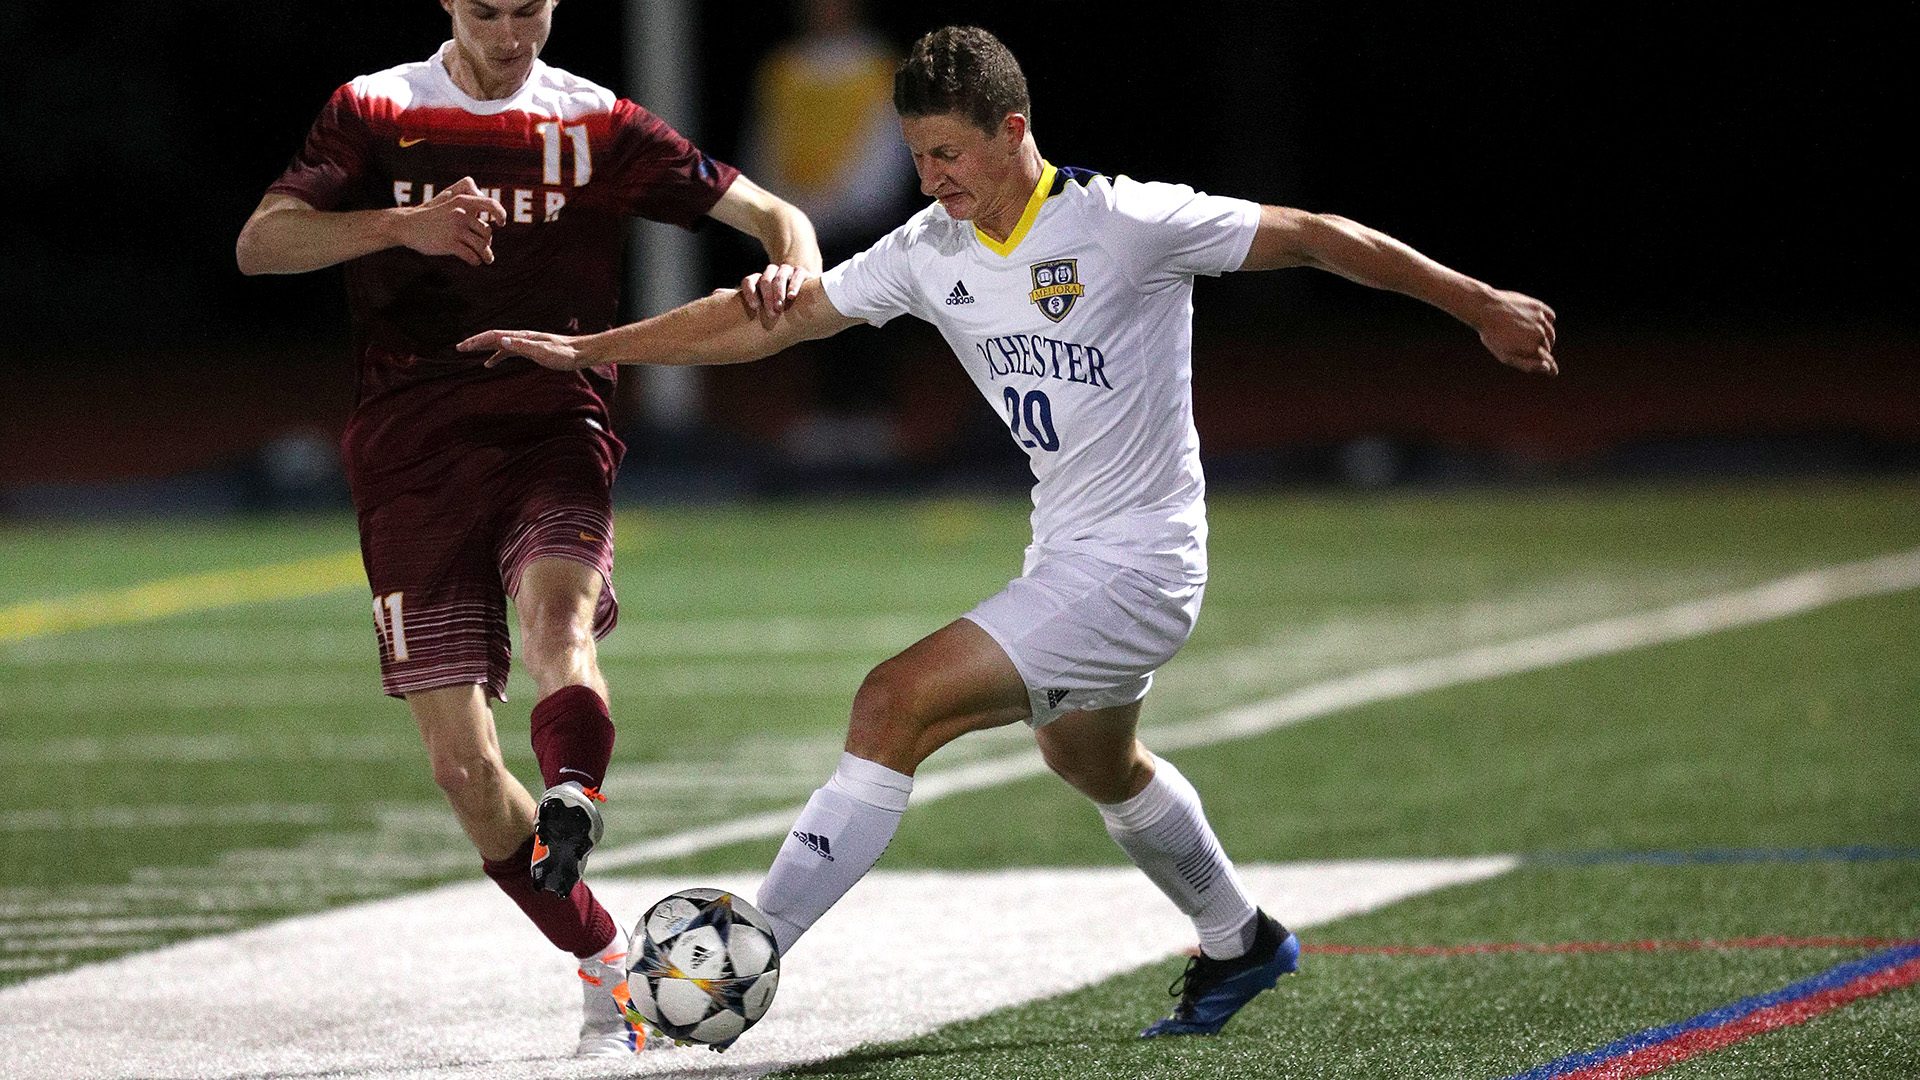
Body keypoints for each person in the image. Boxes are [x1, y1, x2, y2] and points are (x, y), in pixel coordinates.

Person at [463, 24, 1555, 1040]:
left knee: (891, 702)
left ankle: (735, 964)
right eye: (919, 157)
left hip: (1140, 567)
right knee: (1094, 759)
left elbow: (1316, 239)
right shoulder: (932, 246)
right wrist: (589, 348)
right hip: (1067, 556)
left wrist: (1478, 304)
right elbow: (769, 323)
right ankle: (1243, 940)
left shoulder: (1125, 221)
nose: (933, 179)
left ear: (1013, 131)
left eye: (948, 154)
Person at [235, 0, 820, 1058]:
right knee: (462, 772)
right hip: (409, 454)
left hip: (556, 419)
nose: (512, 35)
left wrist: (793, 260)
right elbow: (261, 244)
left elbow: (776, 216)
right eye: (489, 11)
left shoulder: (593, 121)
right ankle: (605, 963)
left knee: (559, 623)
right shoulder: (374, 109)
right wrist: (397, 223)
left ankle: (574, 795)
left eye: (531, 12)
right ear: (449, 6)